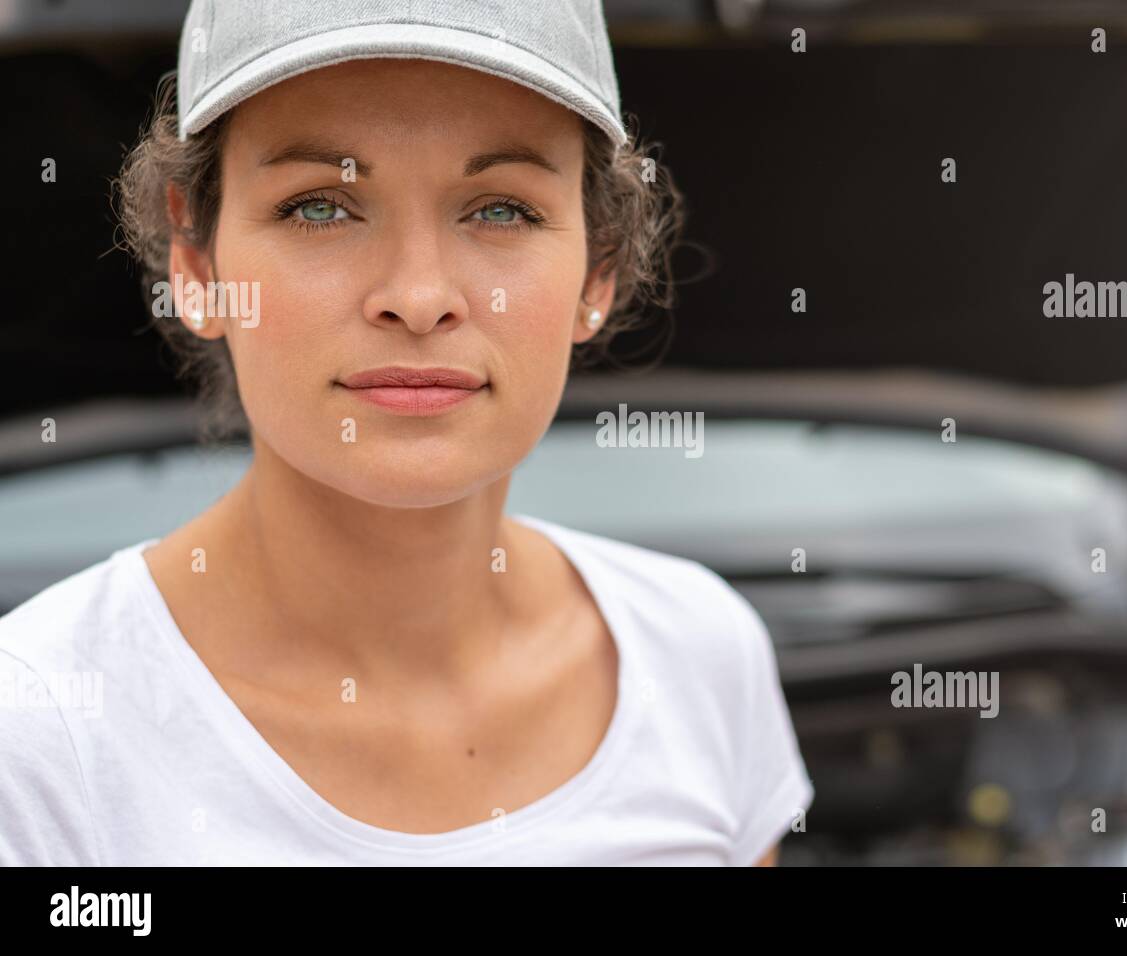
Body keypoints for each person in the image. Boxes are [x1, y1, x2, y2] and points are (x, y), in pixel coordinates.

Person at [0, 0, 814, 865]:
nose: (420, 296)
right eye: (320, 207)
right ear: (194, 261)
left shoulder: (698, 653)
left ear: (599, 268)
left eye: (501, 209)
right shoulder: (41, 735)